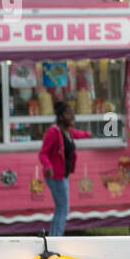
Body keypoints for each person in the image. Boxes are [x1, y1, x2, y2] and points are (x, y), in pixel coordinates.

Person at [39, 101, 90, 236]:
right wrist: (48, 166)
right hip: (55, 176)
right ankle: (56, 238)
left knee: (60, 208)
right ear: (61, 117)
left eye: (73, 114)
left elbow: (78, 134)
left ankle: (53, 238)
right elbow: (43, 153)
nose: (72, 116)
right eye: (69, 114)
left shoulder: (67, 132)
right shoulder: (53, 132)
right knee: (63, 209)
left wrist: (92, 134)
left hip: (62, 175)